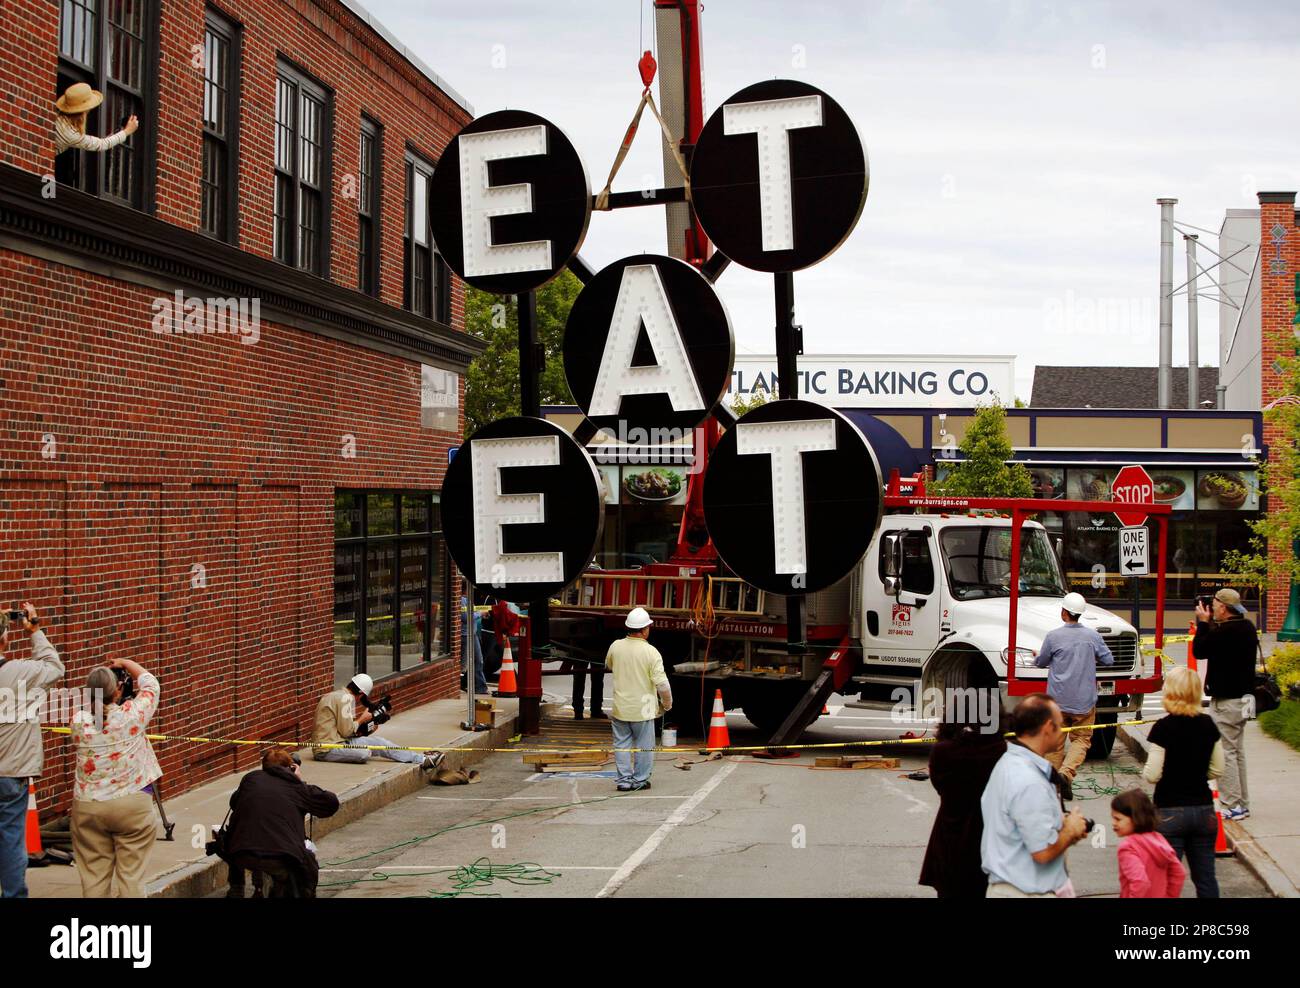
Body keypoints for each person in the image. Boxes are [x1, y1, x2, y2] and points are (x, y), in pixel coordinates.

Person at [69, 657, 162, 897]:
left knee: (94, 877)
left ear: (87, 693)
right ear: (118, 689)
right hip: (132, 803)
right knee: (131, 877)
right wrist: (127, 662)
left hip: (88, 806)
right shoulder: (132, 715)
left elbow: (98, 715)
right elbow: (151, 684)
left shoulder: (79, 722)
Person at [980, 694, 1090, 897]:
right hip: (1025, 892)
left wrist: (1064, 827)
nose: (1061, 731)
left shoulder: (1009, 763)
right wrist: (1069, 831)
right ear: (1048, 727)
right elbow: (1042, 852)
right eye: (1059, 725)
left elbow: (1022, 826)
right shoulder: (1029, 781)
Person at [1143, 663, 1224, 898]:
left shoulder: (1163, 727)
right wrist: (1196, 773)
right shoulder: (1208, 724)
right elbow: (1218, 769)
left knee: (1167, 878)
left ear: (1169, 692)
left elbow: (1152, 774)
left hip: (1170, 809)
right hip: (1203, 809)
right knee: (1206, 877)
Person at [0, 602, 64, 898]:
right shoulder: (19, 673)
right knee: (11, 838)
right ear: (5, 639)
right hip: (12, 772)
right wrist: (35, 630)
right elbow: (54, 668)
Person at [224, 749, 339, 897]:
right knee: (306, 871)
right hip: (282, 854)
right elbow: (331, 802)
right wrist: (298, 781)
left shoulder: (250, 779)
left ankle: (236, 887)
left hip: (241, 851)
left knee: (233, 833)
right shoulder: (297, 788)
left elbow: (234, 802)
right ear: (290, 768)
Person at [919, 706, 1008, 898]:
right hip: (989, 837)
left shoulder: (942, 751)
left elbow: (939, 786)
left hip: (949, 834)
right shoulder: (1001, 751)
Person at [1034, 591, 1114, 783]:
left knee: (1055, 743)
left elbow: (1041, 662)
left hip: (1057, 702)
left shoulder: (1053, 636)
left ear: (1064, 613)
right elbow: (1109, 660)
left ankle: (1053, 783)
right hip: (1084, 702)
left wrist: (1037, 655)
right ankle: (1066, 773)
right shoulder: (1092, 636)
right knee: (1081, 740)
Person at [1192, 588, 1257, 821]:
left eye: (1215, 603)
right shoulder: (1247, 628)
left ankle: (1233, 805)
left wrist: (1202, 623)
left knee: (1227, 753)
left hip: (1227, 701)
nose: (1212, 607)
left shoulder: (1224, 633)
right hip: (1244, 699)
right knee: (1237, 752)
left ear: (1223, 607)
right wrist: (1209, 625)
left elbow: (1199, 650)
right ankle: (1243, 803)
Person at [311, 673, 443, 772]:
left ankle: (423, 759)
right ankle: (423, 759)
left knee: (379, 742)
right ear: (361, 693)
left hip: (338, 742)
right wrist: (363, 719)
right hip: (327, 749)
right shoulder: (346, 698)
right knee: (364, 753)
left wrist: (366, 729)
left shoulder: (337, 695)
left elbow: (343, 730)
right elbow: (346, 731)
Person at [605, 607, 672, 792]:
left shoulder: (615, 646)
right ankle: (640, 780)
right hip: (643, 709)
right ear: (644, 629)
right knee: (644, 746)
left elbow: (609, 665)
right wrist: (667, 704)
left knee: (621, 744)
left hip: (620, 707)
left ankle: (624, 780)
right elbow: (663, 685)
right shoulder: (651, 652)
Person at [1112, 788, 1186, 898]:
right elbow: (1179, 873)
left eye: (1118, 819)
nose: (1113, 823)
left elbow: (1140, 881)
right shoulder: (1158, 839)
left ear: (1135, 818)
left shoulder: (1128, 847)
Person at [55, 82, 138, 155]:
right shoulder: (70, 134)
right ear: (83, 112)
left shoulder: (56, 116)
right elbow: (101, 144)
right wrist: (127, 131)